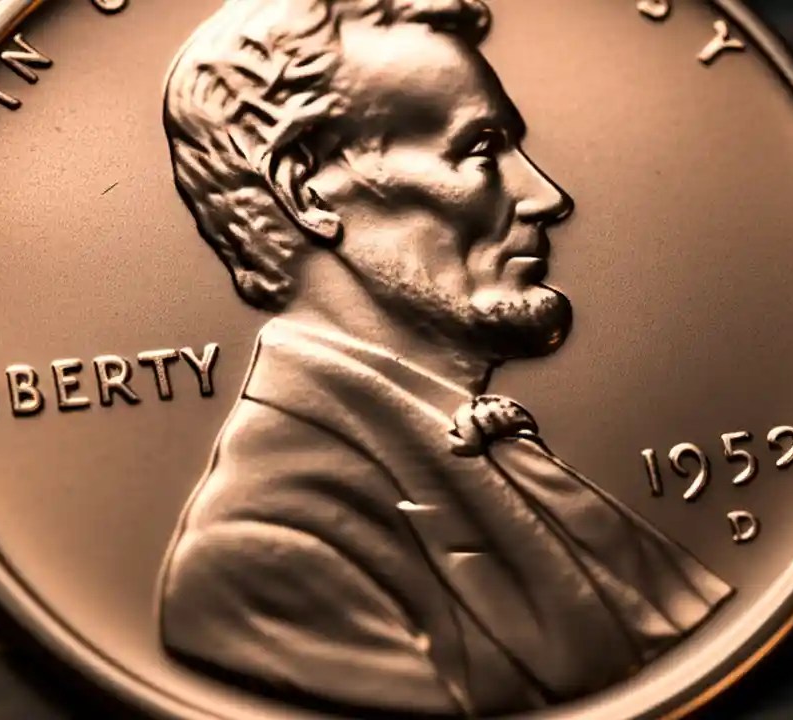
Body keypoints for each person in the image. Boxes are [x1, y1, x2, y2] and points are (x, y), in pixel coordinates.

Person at [157, 0, 732, 715]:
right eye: (481, 149)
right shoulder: (261, 554)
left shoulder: (482, 442)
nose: (547, 196)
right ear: (304, 187)